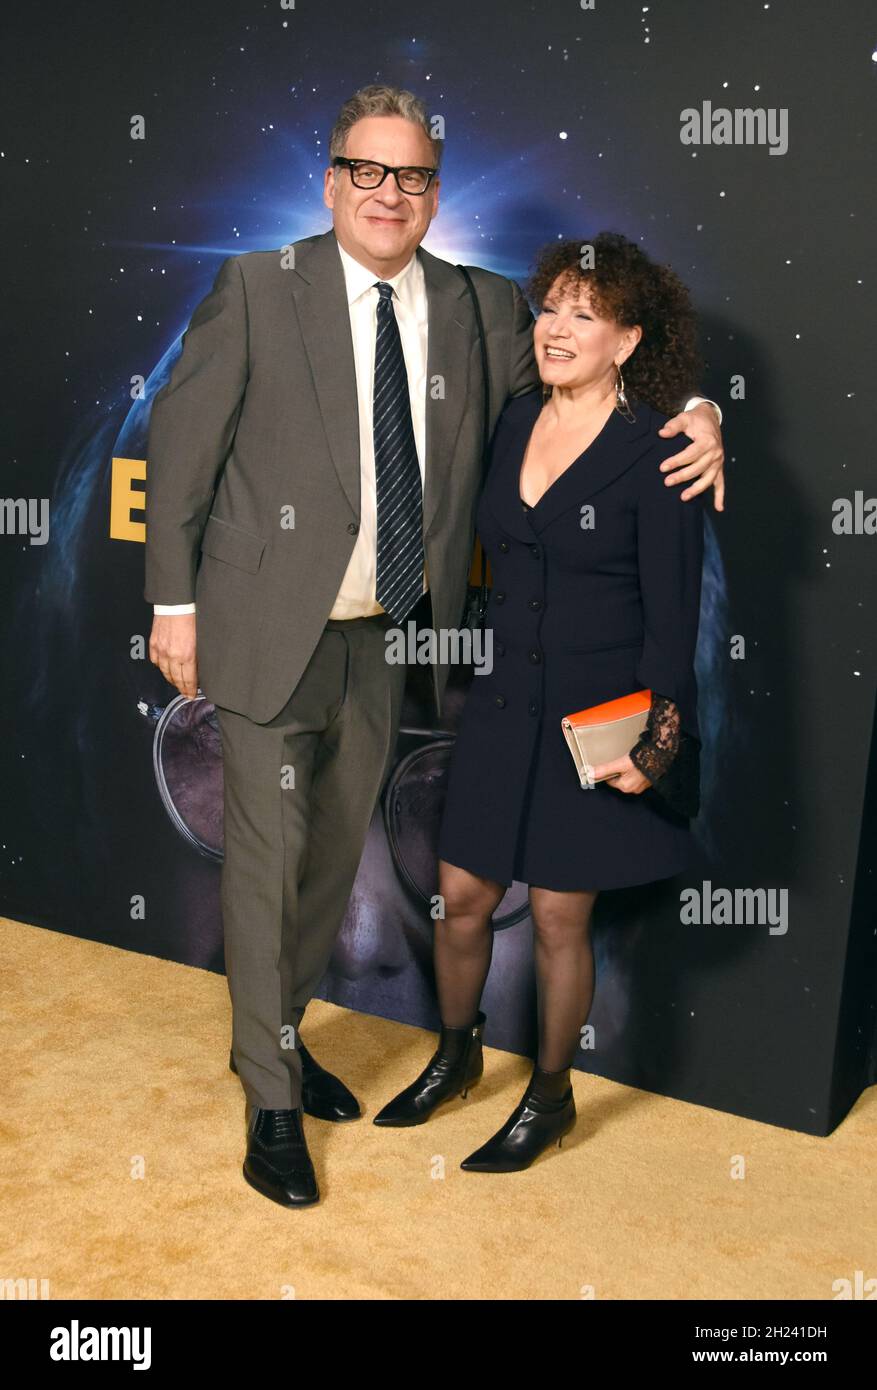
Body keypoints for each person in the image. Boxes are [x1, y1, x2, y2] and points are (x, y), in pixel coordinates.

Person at [145, 85, 725, 1208]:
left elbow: (591, 379)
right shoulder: (258, 288)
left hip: (386, 642)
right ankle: (270, 1098)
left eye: (409, 176)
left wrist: (702, 410)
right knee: (266, 863)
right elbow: (180, 449)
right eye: (366, 170)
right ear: (331, 180)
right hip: (268, 631)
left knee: (322, 869)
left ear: (432, 195)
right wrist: (176, 607)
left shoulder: (477, 305)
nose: (386, 193)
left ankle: (270, 1031)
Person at [374, 232, 708, 1173]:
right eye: (550, 309)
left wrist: (656, 744)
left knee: (561, 916)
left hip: (588, 724)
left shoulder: (660, 452)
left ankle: (550, 1099)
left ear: (628, 340)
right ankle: (455, 1056)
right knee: (461, 895)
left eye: (584, 315)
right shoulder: (513, 417)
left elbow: (672, 621)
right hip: (501, 702)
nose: (557, 330)